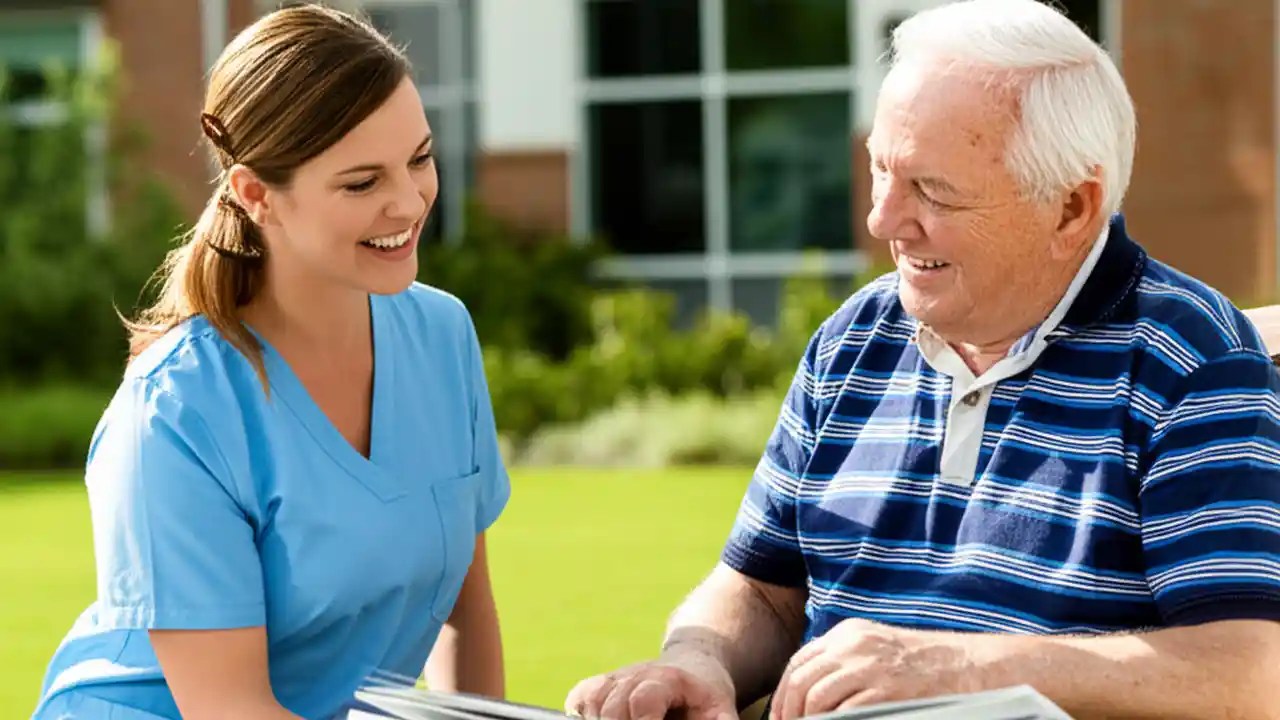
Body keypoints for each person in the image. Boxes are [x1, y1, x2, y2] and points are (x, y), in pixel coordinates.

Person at [566, 1, 1280, 719]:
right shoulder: (855, 338)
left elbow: (1250, 675)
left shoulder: (1190, 361)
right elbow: (760, 591)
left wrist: (967, 664)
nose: (883, 221)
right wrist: (698, 663)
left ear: (1072, 208)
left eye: (933, 190)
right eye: (882, 170)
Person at [31, 5, 509, 719]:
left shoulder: (442, 334)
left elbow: (464, 610)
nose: (410, 201)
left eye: (419, 157)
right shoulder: (174, 413)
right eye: (361, 183)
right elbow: (231, 709)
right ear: (256, 194)